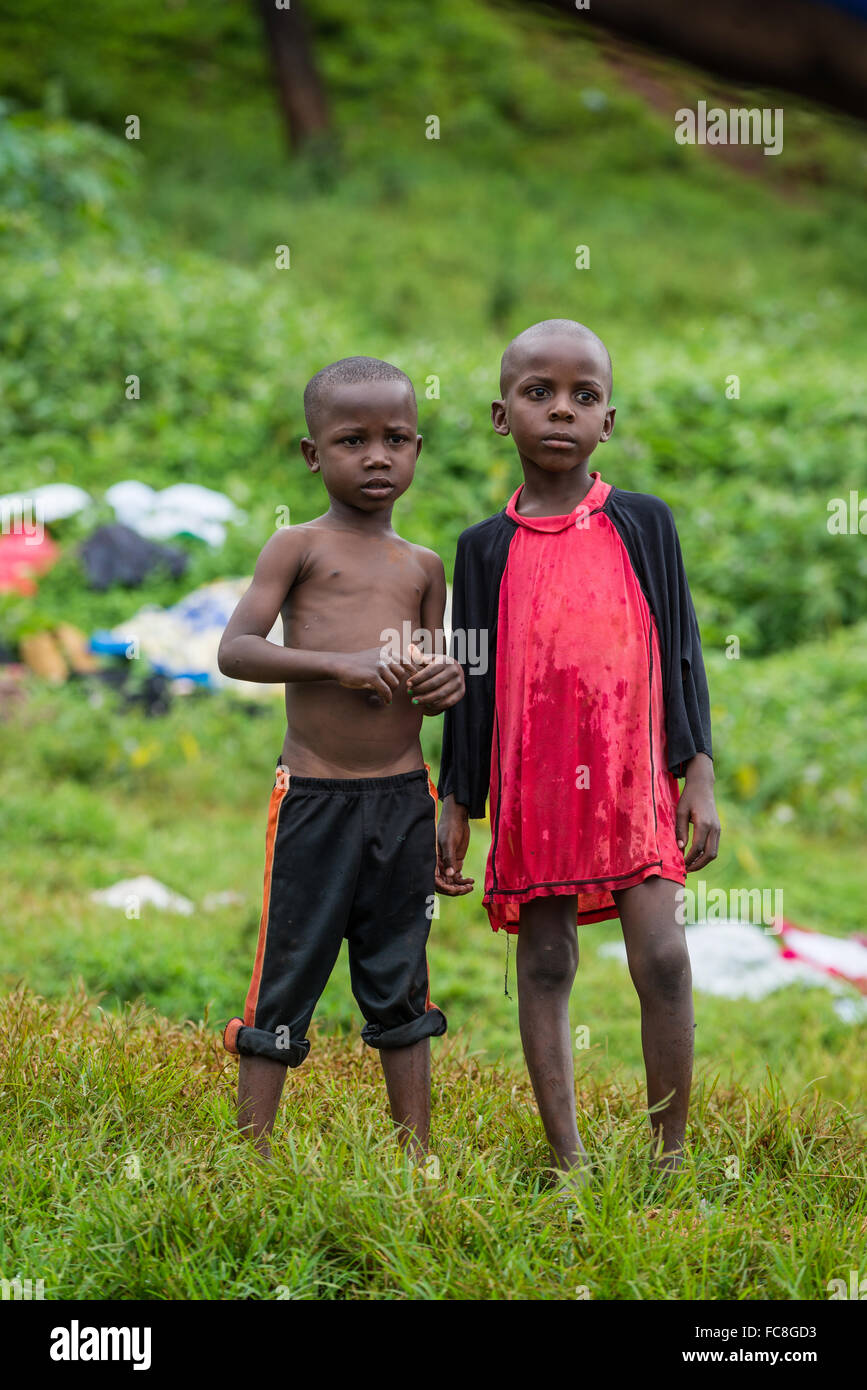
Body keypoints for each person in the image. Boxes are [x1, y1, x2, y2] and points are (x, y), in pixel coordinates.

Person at [435, 320, 720, 1178]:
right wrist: (456, 800)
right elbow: (471, 676)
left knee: (663, 954)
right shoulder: (483, 550)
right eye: (538, 393)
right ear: (500, 414)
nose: (560, 410)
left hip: (631, 781)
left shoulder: (643, 524)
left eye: (582, 397)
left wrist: (695, 769)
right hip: (536, 786)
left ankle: (668, 1155)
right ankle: (568, 1158)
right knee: (547, 957)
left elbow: (680, 647)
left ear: (608, 421)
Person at [220, 356, 463, 1159]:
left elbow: (443, 673)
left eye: (395, 439)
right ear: (311, 454)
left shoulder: (424, 567)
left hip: (402, 796)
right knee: (290, 962)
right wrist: (340, 664)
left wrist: (445, 679)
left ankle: (416, 1153)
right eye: (352, 440)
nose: (377, 457)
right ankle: (252, 1154)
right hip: (316, 798)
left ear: (418, 449)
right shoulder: (297, 546)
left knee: (400, 966)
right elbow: (236, 650)